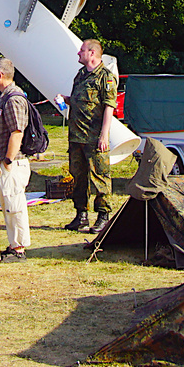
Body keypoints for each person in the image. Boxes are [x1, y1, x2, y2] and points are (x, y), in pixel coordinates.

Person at [61, 38, 119, 234]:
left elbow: (109, 107)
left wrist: (104, 135)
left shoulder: (105, 77)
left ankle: (103, 216)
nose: (79, 53)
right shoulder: (80, 75)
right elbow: (79, 100)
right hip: (76, 137)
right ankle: (81, 215)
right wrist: (65, 100)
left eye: (82, 50)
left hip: (93, 138)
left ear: (92, 53)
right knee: (78, 177)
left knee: (100, 177)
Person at [0, 58, 31, 260]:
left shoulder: (13, 99)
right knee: (9, 205)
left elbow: (17, 132)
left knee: (15, 206)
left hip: (14, 162)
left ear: (0, 75)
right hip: (9, 162)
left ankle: (19, 248)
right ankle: (14, 244)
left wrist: (8, 160)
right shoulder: (4, 97)